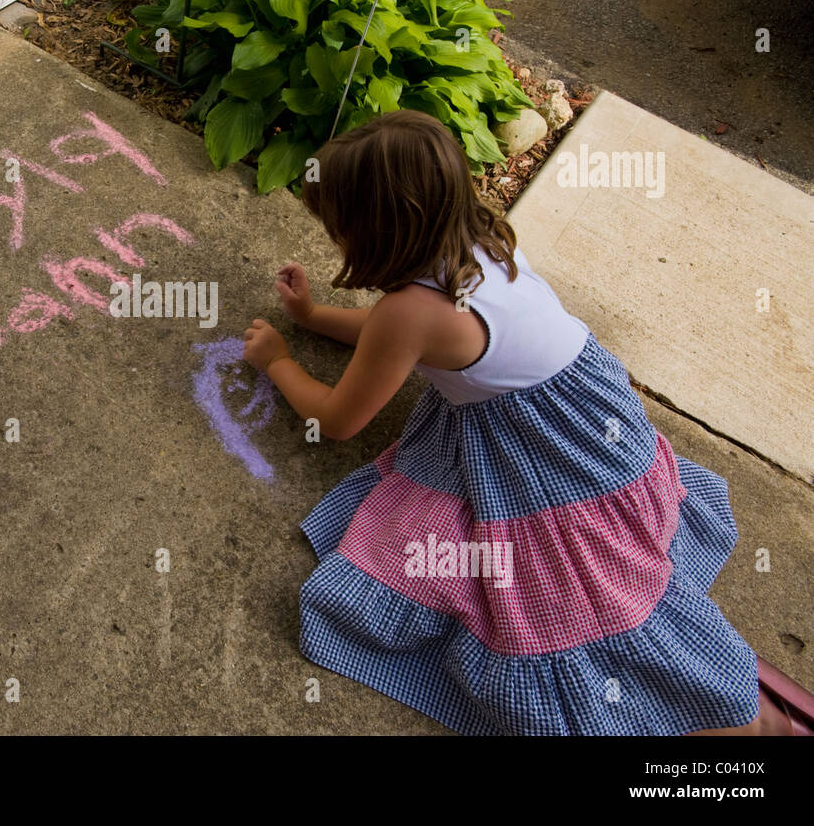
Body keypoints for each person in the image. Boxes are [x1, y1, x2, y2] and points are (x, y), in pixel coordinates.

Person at [242, 109, 811, 735]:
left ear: (376, 232)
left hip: (544, 448)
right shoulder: (477, 238)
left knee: (576, 599)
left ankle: (751, 727)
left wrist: (279, 363)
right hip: (594, 413)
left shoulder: (410, 314)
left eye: (337, 228)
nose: (335, 240)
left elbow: (339, 417)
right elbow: (395, 338)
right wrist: (316, 315)